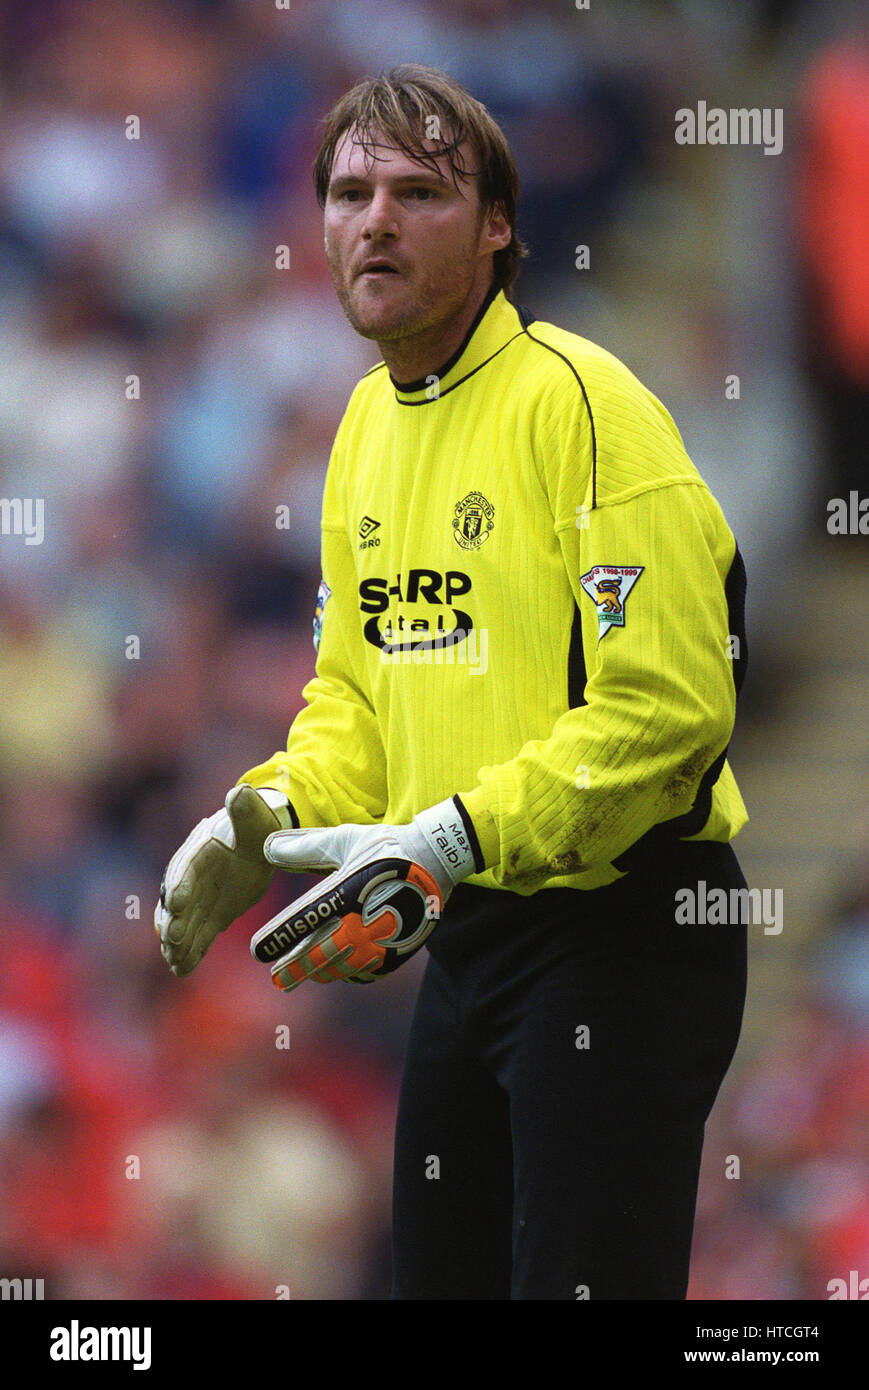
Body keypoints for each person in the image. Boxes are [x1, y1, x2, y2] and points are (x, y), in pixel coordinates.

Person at [155, 64, 750, 1301]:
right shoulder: (364, 429)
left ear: (496, 229)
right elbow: (357, 701)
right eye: (351, 191)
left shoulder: (583, 406)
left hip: (624, 929)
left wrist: (450, 832)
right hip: (469, 930)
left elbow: (669, 714)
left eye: (420, 191)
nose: (375, 218)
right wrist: (259, 816)